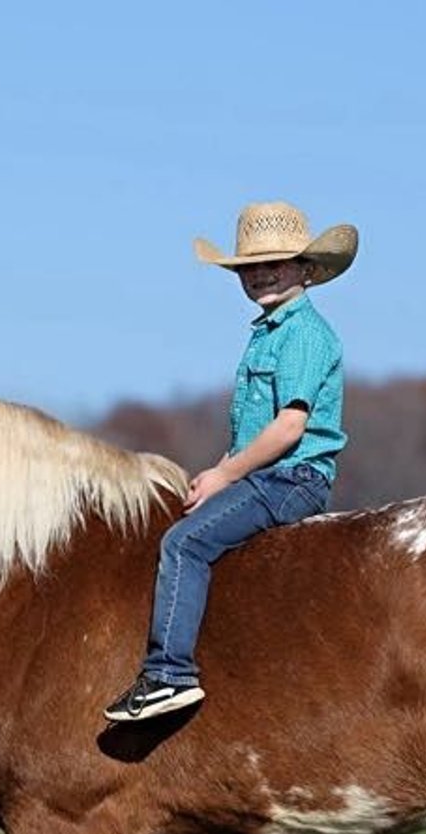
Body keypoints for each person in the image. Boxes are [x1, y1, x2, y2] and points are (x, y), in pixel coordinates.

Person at [104, 201, 358, 723]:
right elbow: (252, 433)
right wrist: (216, 474)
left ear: (307, 270)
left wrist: (226, 474)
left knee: (184, 542)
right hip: (263, 472)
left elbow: (290, 427)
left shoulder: (305, 333)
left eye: (276, 264)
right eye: (250, 267)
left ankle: (170, 673)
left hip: (293, 477)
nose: (261, 274)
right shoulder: (267, 333)